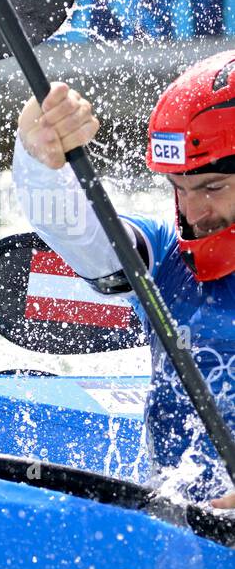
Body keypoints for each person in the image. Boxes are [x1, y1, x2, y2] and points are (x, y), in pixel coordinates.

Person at [13, 50, 235, 505]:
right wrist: (40, 162)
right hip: (176, 528)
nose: (193, 213)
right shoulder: (165, 257)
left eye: (212, 188)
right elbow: (85, 238)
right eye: (179, 188)